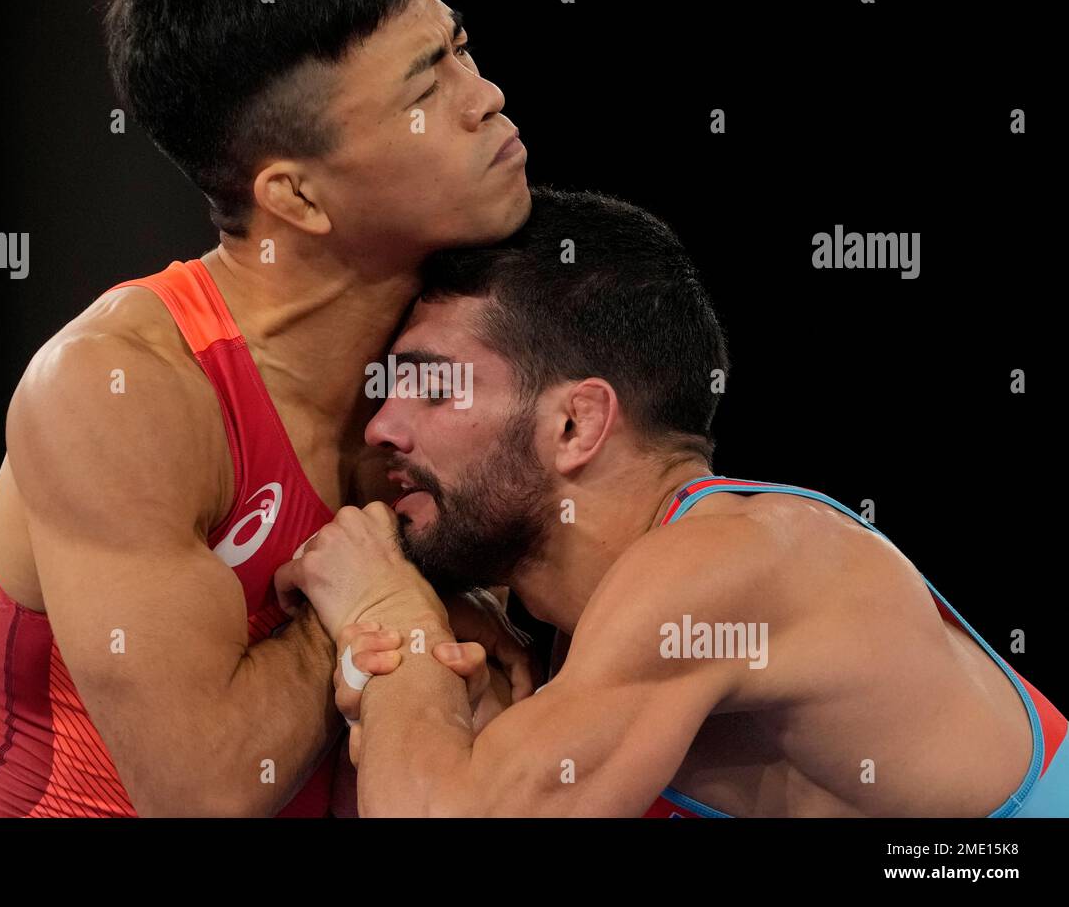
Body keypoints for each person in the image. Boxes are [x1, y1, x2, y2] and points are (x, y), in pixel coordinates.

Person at [0, 0, 534, 818]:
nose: (484, 97)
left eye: (460, 48)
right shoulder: (122, 388)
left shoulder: (481, 339)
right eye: (423, 92)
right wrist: (388, 586)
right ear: (297, 197)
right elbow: (202, 793)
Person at [279, 187, 1068, 817]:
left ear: (575, 423)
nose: (381, 426)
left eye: (431, 383)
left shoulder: (733, 561)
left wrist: (390, 623)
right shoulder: (582, 654)